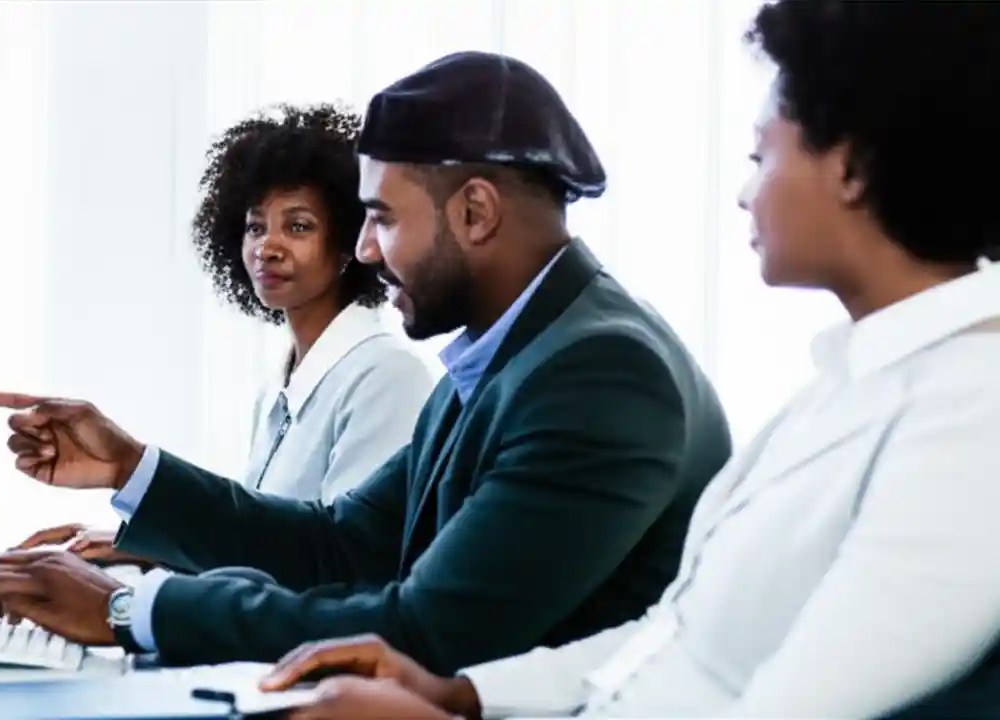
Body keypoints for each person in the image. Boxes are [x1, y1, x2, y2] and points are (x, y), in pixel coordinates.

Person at [256, 2, 1000, 718]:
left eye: (760, 154)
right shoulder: (847, 384)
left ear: (853, 168)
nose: (744, 193)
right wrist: (466, 696)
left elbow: (788, 708)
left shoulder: (973, 414)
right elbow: (684, 638)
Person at [0, 52, 731, 675]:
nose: (365, 250)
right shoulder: (507, 357)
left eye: (382, 218)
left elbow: (432, 628)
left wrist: (128, 609)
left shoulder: (601, 374)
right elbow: (340, 545)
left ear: (475, 213)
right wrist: (131, 466)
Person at [0, 103, 434, 565]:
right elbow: (264, 542)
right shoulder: (281, 387)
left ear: (347, 243)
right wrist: (144, 546)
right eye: (255, 227)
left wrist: (127, 603)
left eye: (298, 226)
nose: (268, 247)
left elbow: (344, 569)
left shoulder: (386, 378)